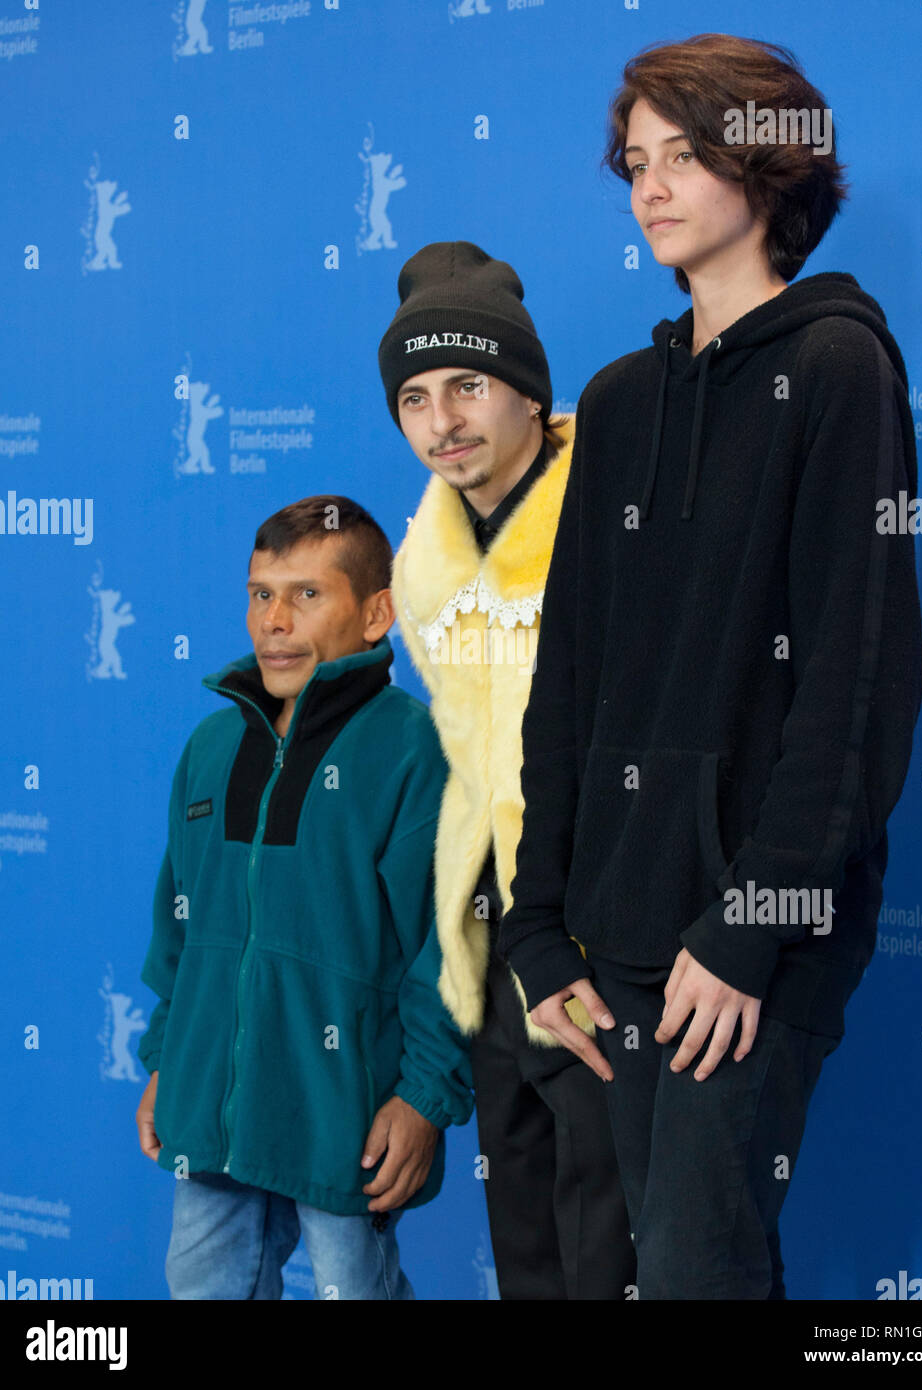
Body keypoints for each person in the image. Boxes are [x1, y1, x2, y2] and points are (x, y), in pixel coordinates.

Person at [497, 33, 922, 1299]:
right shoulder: (618, 401)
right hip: (615, 920)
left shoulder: (839, 366)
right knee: (661, 1265)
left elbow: (854, 683)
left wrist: (751, 925)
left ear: (766, 160)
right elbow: (567, 677)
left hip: (758, 927)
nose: (650, 187)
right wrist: (536, 924)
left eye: (681, 155)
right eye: (635, 163)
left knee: (698, 1269)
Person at [135, 495, 473, 1300]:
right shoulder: (211, 746)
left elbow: (450, 948)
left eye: (306, 594)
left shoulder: (415, 750)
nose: (274, 621)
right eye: (261, 594)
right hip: (210, 1104)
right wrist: (170, 1058)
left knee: (353, 1290)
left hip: (343, 1115)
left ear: (376, 614)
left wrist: (423, 1099)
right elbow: (178, 929)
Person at [380, 241, 636, 1299]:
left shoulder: (613, 512)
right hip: (487, 942)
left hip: (603, 936)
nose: (442, 421)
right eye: (415, 397)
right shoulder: (423, 560)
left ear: (529, 392)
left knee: (614, 1252)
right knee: (527, 1252)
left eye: (468, 386)